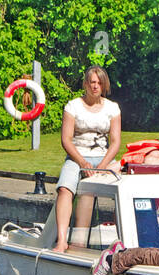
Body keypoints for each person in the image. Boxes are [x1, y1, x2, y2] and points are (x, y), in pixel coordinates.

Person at [52, 66, 121, 252]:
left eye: (99, 83)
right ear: (85, 84)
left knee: (123, 182)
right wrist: (83, 162)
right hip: (77, 157)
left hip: (103, 158)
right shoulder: (72, 106)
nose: (95, 86)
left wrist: (103, 166)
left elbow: (115, 142)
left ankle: (123, 242)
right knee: (65, 188)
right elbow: (66, 140)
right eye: (92, 82)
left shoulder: (112, 108)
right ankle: (62, 240)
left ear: (104, 85)